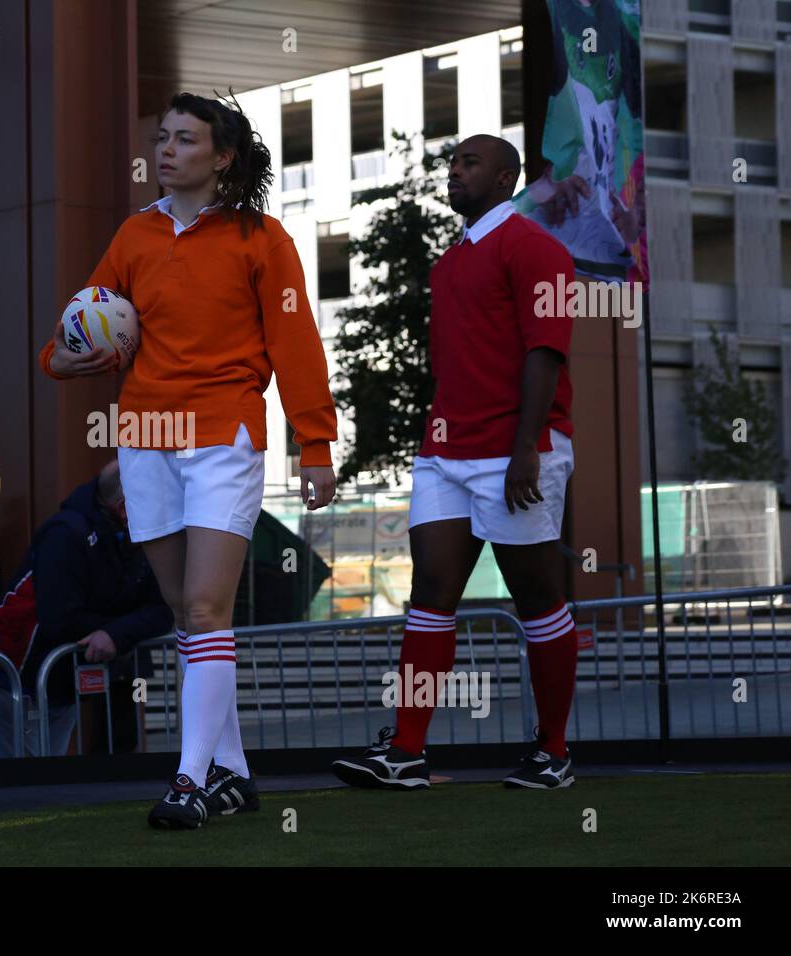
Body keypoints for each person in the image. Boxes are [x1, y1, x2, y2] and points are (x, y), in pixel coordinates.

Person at [39, 92, 338, 828]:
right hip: (143, 435)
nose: (166, 150)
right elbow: (76, 329)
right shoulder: (134, 234)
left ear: (223, 157)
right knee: (184, 612)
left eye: (184, 139)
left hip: (223, 435)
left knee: (205, 607)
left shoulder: (263, 238)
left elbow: (296, 344)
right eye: (162, 138)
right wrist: (62, 361)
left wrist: (315, 444)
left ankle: (188, 780)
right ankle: (234, 772)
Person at [330, 134, 578, 791]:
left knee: (537, 597)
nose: (454, 172)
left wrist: (525, 447)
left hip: (518, 449)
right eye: (452, 163)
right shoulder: (449, 262)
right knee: (431, 594)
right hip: (445, 450)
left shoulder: (538, 249)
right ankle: (406, 750)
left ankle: (553, 751)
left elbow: (546, 351)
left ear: (504, 178)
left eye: (469, 163)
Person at [0, 459, 173, 758]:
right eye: (155, 499)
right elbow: (59, 617)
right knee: (18, 777)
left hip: (60, 679)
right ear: (125, 508)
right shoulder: (65, 534)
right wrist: (118, 630)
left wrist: (115, 634)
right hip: (15, 677)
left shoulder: (141, 537)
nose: (163, 509)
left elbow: (164, 609)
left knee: (49, 773)